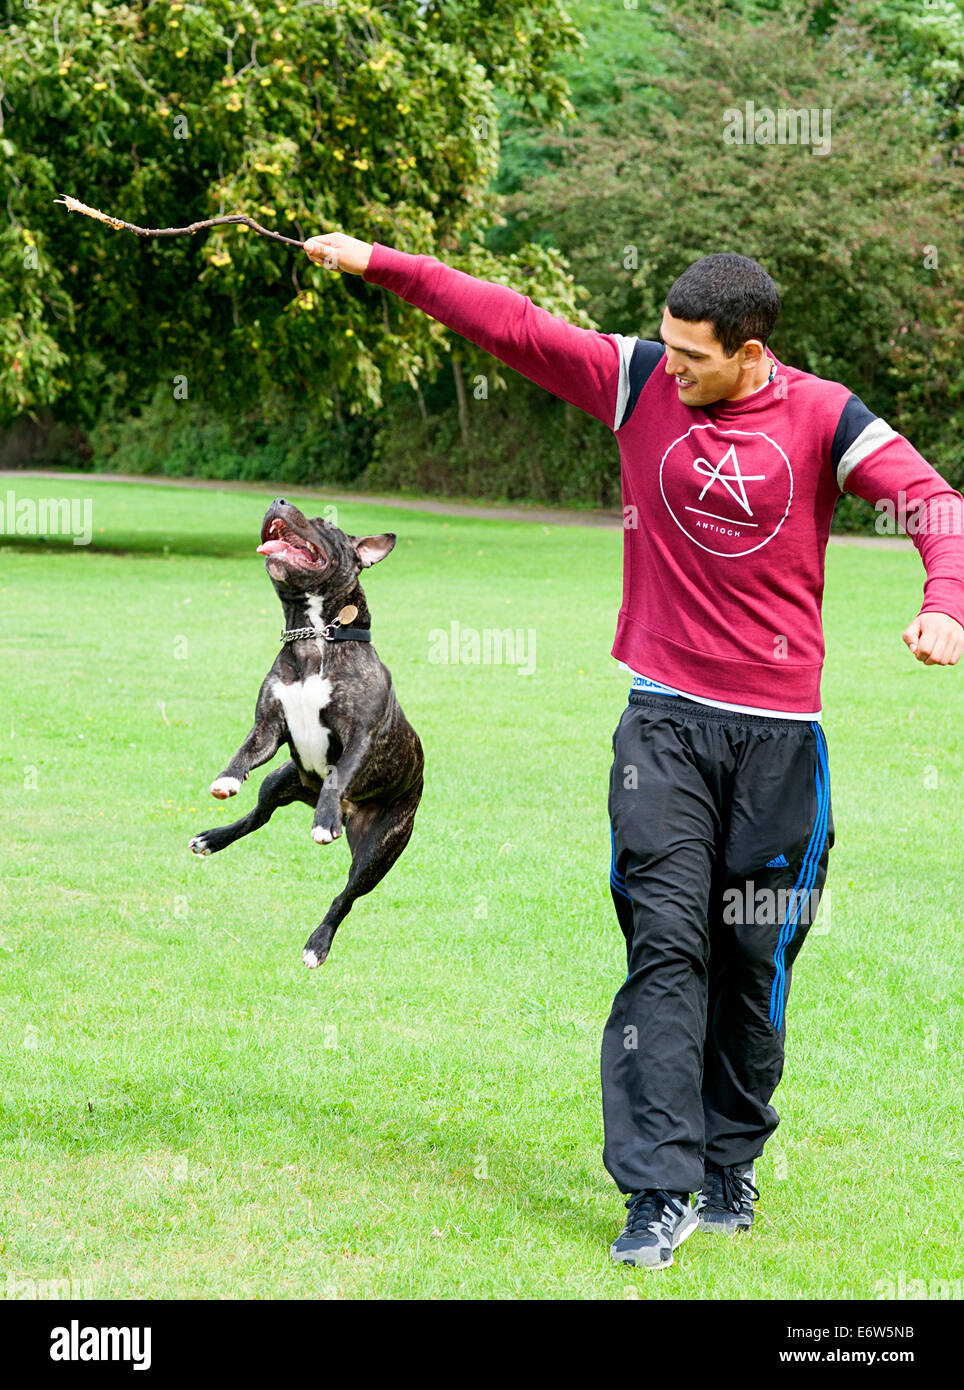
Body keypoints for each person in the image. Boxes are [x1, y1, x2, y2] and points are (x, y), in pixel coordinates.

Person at [304, 231, 964, 1270]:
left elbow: (935, 502)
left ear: (752, 352)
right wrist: (382, 262)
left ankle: (730, 1162)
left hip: (781, 743)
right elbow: (509, 322)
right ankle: (657, 1189)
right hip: (660, 726)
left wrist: (945, 604)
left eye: (695, 355)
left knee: (751, 957)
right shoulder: (636, 378)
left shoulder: (824, 414)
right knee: (665, 947)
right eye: (667, 346)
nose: (673, 366)